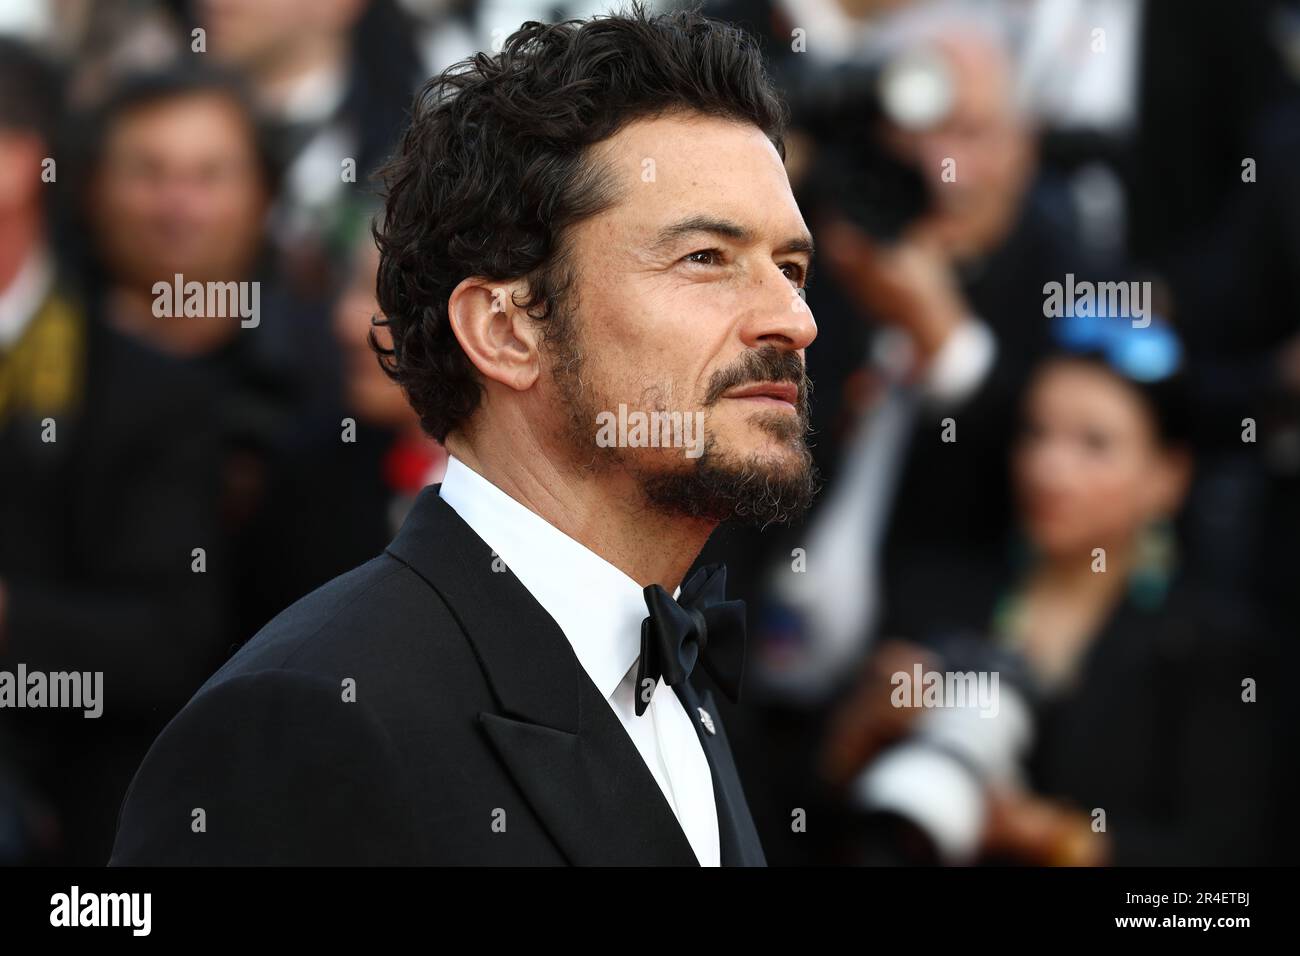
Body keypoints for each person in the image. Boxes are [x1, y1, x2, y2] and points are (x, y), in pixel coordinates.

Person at [111, 5, 818, 866]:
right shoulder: (306, 720)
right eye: (706, 258)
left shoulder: (679, 678)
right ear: (506, 330)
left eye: (791, 268)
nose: (794, 319)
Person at [822, 313, 1282, 865]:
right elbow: (809, 814)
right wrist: (857, 736)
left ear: (1168, 477)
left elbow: (1224, 866)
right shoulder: (935, 599)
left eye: (1094, 444)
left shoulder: (1210, 650)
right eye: (1035, 433)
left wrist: (1053, 839)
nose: (1048, 468)